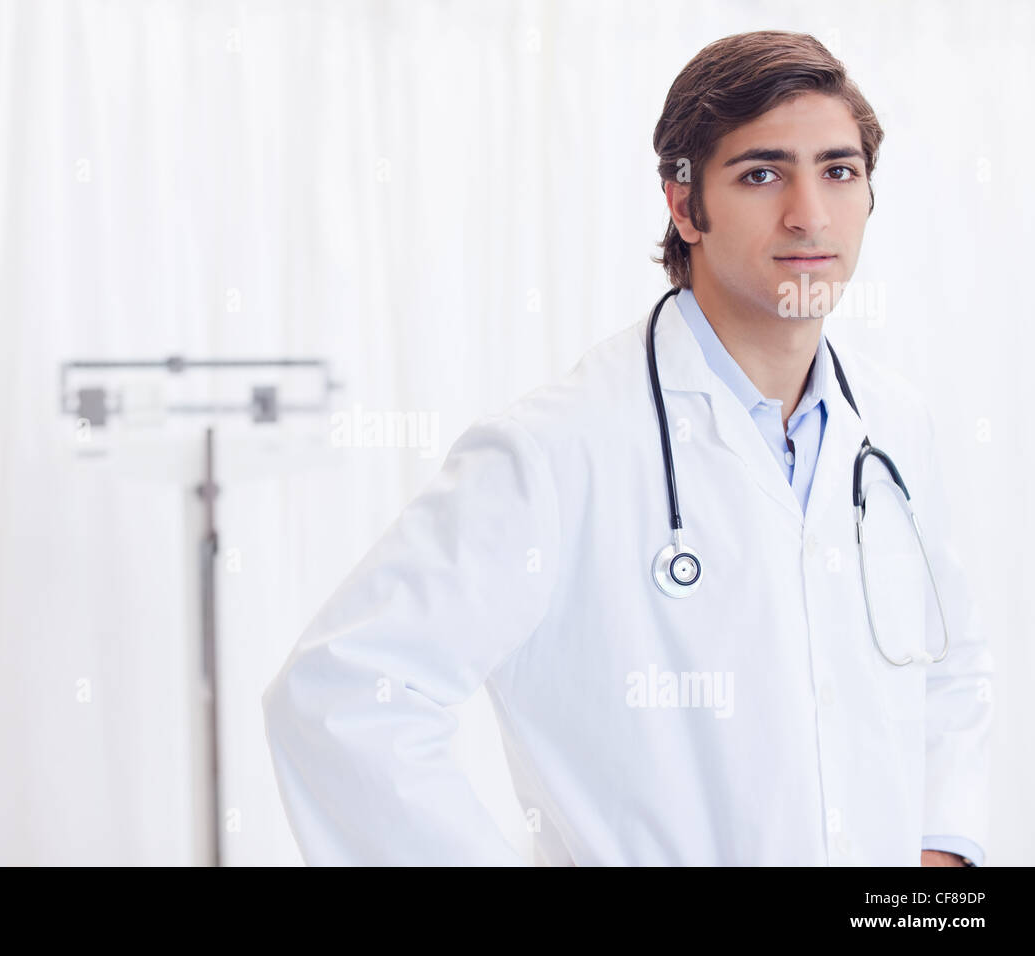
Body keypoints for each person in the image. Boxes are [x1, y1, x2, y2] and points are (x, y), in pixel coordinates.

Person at [262, 30, 993, 866]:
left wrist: (940, 859)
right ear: (684, 205)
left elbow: (950, 665)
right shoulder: (555, 450)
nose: (809, 213)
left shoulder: (895, 426)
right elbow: (343, 695)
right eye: (761, 173)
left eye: (838, 170)